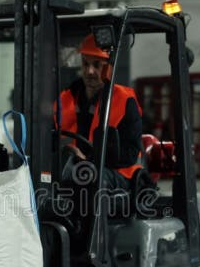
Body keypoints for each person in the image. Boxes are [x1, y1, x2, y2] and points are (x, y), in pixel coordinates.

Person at [56, 33, 143, 191]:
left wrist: (87, 159)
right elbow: (50, 134)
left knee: (86, 176)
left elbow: (129, 154)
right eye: (85, 64)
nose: (90, 71)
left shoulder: (124, 100)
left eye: (97, 65)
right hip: (76, 167)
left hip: (119, 174)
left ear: (108, 67)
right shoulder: (66, 98)